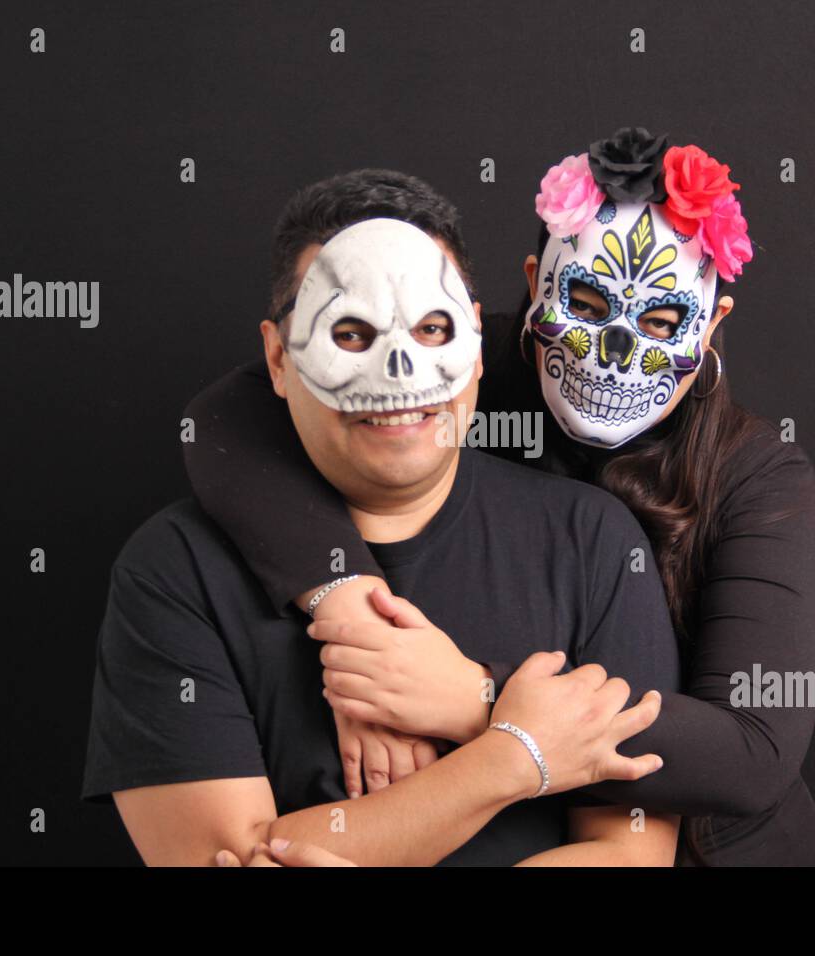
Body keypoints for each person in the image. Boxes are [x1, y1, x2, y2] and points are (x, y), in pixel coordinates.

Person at [184, 128, 815, 866]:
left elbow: (754, 749)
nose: (613, 352)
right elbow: (225, 416)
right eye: (584, 302)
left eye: (658, 324)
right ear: (535, 285)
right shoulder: (458, 372)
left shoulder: (756, 475)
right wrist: (353, 614)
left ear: (711, 327)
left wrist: (473, 701)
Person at [80, 196, 683, 866]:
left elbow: (629, 856)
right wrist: (515, 757)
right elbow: (220, 859)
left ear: (477, 341)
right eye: (351, 335)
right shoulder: (175, 572)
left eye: (431, 328)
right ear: (279, 360)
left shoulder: (592, 540)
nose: (399, 373)